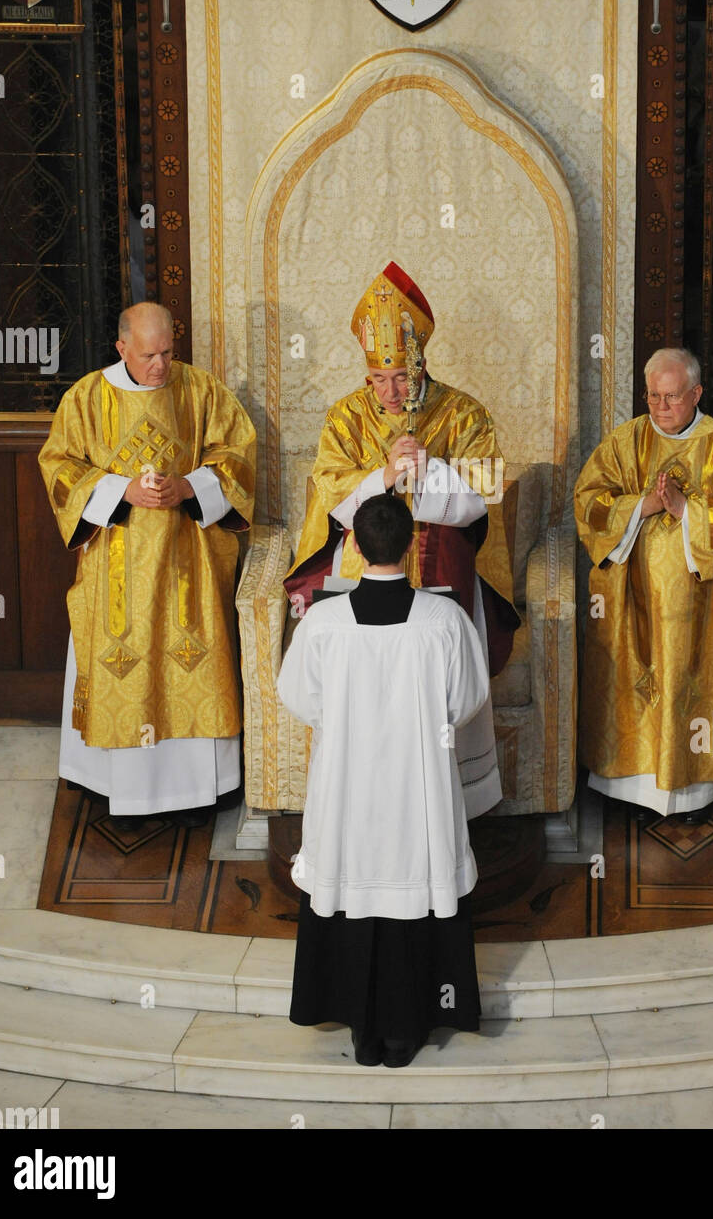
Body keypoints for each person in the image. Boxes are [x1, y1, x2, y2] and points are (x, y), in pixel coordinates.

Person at [284, 261, 518, 818]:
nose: (389, 392)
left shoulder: (463, 412)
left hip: (444, 565)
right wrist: (385, 478)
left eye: (401, 379)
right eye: (377, 380)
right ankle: (365, 794)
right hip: (365, 567)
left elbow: (484, 496)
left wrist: (432, 469)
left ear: (422, 365)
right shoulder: (345, 416)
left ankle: (449, 799)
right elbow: (330, 494)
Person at [277, 492, 489, 1068]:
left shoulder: (321, 623)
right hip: (420, 789)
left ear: (353, 544)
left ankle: (362, 1029)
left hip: (345, 785)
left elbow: (296, 695)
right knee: (416, 888)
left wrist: (345, 725)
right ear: (410, 546)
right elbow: (468, 699)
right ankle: (409, 1024)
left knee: (351, 887)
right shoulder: (445, 620)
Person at [38, 301, 256, 829]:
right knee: (125, 664)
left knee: (189, 659)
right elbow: (60, 467)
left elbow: (238, 455)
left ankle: (201, 787)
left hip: (189, 561)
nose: (161, 365)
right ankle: (122, 788)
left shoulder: (199, 390)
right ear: (122, 348)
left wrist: (188, 486)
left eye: (168, 352)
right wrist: (122, 489)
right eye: (149, 355)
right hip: (118, 564)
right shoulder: (87, 397)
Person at [574, 347, 713, 822]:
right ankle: (631, 790)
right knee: (637, 684)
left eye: (672, 396)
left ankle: (693, 793)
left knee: (689, 684)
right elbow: (589, 503)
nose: (660, 406)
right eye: (653, 396)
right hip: (630, 598)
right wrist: (642, 507)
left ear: (696, 393)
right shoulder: (624, 441)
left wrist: (685, 510)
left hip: (702, 602)